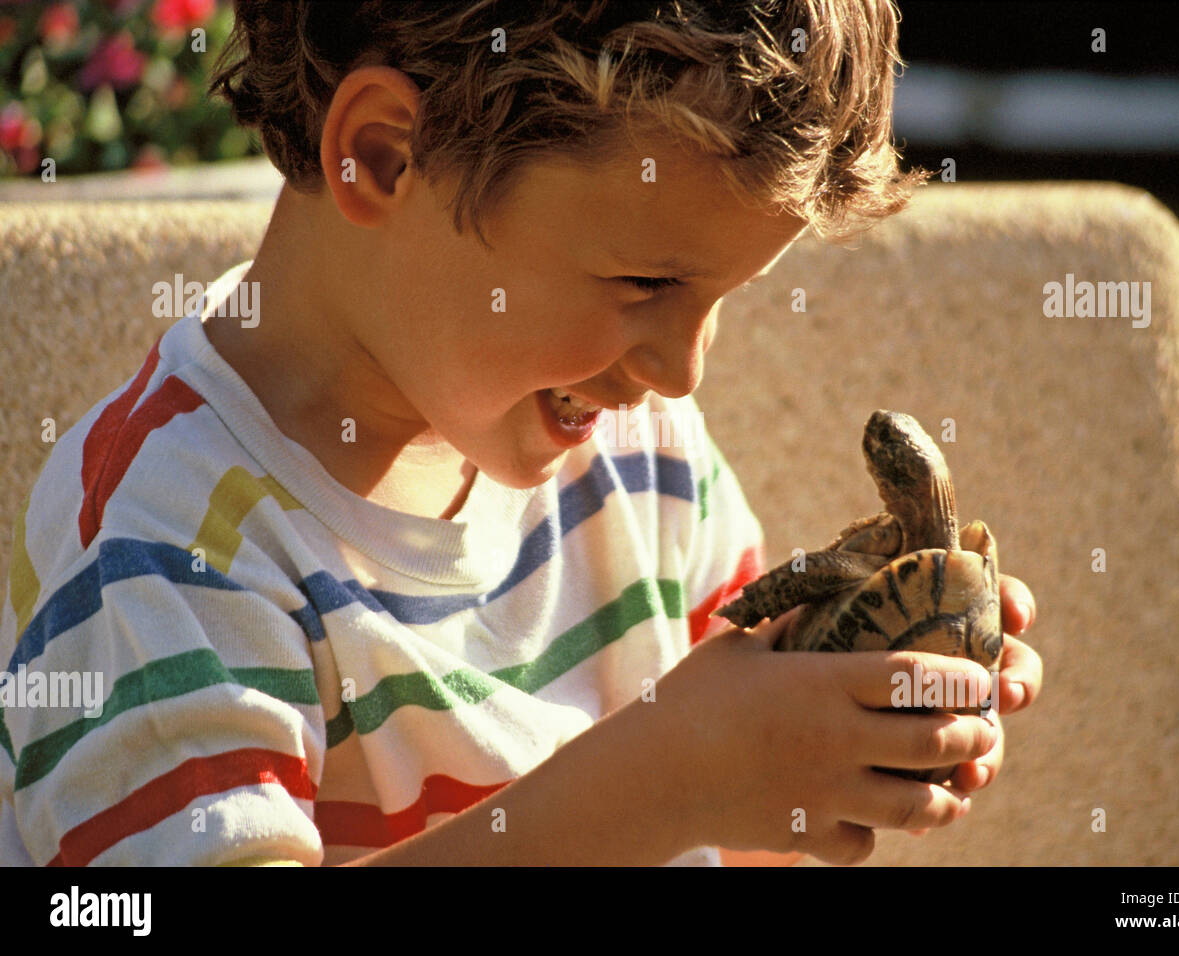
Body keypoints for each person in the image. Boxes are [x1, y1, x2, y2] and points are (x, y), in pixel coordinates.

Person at [0, 0, 1040, 866]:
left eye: (719, 298)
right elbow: (673, 784)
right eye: (646, 283)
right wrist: (661, 784)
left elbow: (735, 813)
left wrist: (843, 741)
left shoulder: (640, 449)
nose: (682, 369)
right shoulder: (163, 546)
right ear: (383, 156)